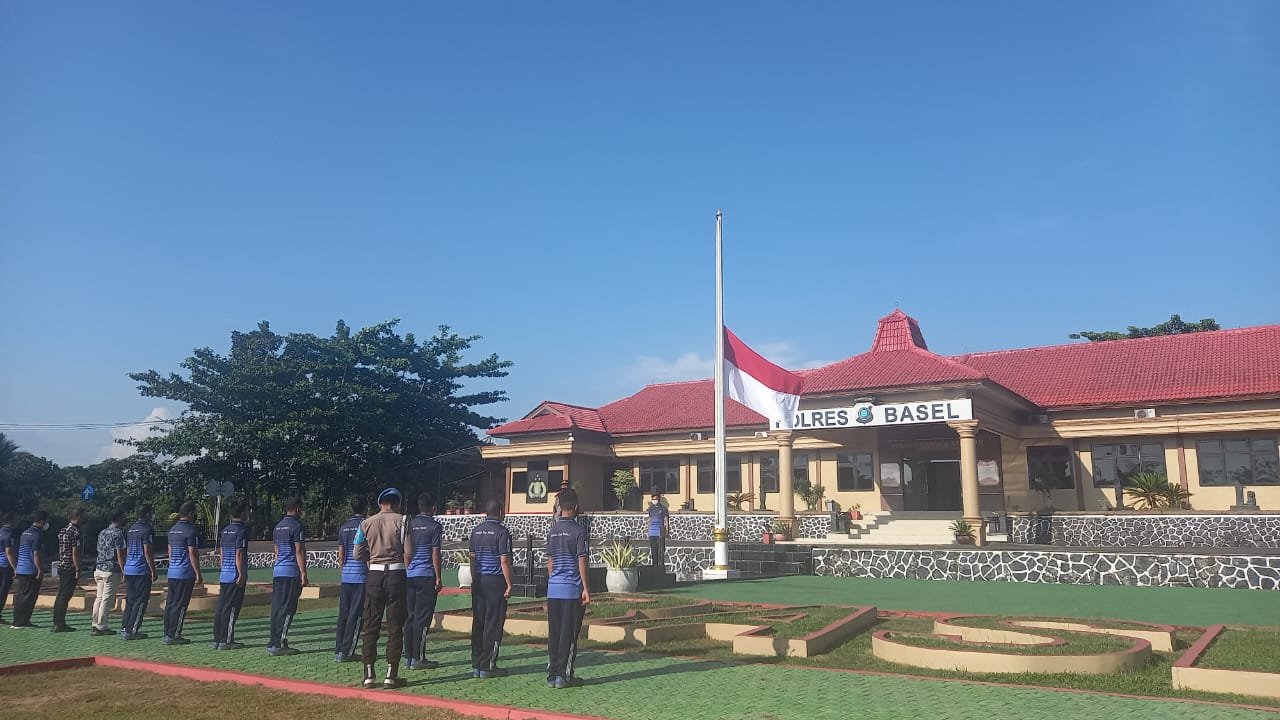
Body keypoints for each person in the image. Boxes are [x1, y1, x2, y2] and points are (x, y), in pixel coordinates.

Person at [354, 487, 409, 689]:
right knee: (395, 624)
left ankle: (368, 674)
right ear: (397, 503)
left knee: (371, 623)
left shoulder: (365, 523)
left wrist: (372, 560)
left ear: (380, 504)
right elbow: (408, 551)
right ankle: (391, 674)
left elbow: (357, 553)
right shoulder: (403, 521)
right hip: (396, 573)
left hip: (374, 575)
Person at [545, 489, 590, 689]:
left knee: (554, 633)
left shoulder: (552, 531)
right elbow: (582, 561)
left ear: (559, 507)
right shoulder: (579, 531)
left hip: (553, 590)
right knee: (569, 634)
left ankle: (552, 674)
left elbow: (550, 563)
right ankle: (564, 676)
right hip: (572, 590)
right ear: (576, 507)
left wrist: (553, 582)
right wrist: (586, 587)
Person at [469, 498, 513, 679]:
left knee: (479, 621)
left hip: (479, 580)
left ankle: (476, 663)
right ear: (501, 512)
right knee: (493, 623)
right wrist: (510, 583)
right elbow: (504, 560)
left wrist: (474, 579)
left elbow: (472, 558)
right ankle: (488, 664)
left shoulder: (476, 531)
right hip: (495, 581)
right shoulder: (502, 532)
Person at [403, 491, 442, 671]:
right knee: (423, 618)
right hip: (426, 575)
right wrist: (439, 577)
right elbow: (435, 553)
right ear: (433, 508)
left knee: (410, 617)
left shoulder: (410, 525)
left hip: (410, 575)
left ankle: (409, 656)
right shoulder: (434, 526)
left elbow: (406, 552)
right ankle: (419, 658)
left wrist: (408, 569)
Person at [267, 498, 308, 656]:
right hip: (291, 572)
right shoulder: (297, 526)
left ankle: (273, 640)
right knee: (289, 608)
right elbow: (299, 551)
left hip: (278, 572)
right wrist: (303, 573)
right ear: (297, 509)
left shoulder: (277, 527)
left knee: (277, 608)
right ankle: (280, 642)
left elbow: (276, 552)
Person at [163, 502, 204, 645]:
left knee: (171, 603)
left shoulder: (173, 530)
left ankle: (167, 632)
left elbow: (169, 551)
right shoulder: (190, 530)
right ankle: (174, 634)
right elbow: (192, 553)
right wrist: (198, 573)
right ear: (191, 513)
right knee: (180, 605)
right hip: (185, 572)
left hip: (172, 572)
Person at [334, 496, 368, 663]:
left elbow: (341, 555)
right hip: (361, 576)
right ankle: (347, 651)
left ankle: (338, 648)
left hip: (346, 576)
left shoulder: (344, 527)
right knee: (357, 615)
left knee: (344, 613)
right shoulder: (366, 526)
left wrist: (344, 571)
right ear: (365, 508)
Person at [212, 502, 250, 650]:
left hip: (225, 574)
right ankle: (226, 640)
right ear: (242, 514)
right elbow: (239, 553)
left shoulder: (225, 530)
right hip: (234, 575)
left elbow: (222, 552)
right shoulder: (242, 531)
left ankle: (217, 638)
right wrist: (241, 574)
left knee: (221, 607)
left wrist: (223, 569)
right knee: (232, 608)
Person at [120, 506, 156, 640]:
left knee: (131, 600)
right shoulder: (147, 530)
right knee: (141, 601)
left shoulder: (131, 529)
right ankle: (132, 630)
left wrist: (125, 569)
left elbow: (128, 550)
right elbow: (147, 551)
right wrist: (153, 570)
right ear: (147, 514)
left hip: (129, 568)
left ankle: (125, 627)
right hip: (141, 569)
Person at [91, 509, 128, 636]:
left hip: (99, 567)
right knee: (107, 598)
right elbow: (120, 555)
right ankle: (102, 625)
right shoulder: (118, 533)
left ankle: (95, 623)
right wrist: (124, 571)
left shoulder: (102, 532)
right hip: (111, 569)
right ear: (119, 518)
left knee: (99, 597)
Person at [10, 510, 48, 629]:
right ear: (42, 521)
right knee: (29, 597)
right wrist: (40, 570)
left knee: (22, 595)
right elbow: (36, 555)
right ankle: (21, 622)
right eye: (46, 520)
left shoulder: (25, 532)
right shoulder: (37, 535)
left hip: (21, 568)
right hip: (30, 569)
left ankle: (20, 620)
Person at [51, 508, 86, 632]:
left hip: (62, 564)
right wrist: (78, 568)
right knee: (65, 595)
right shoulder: (76, 532)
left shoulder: (63, 530)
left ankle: (56, 621)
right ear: (78, 517)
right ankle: (60, 623)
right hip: (70, 566)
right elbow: (75, 552)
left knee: (61, 594)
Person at [646, 493, 669, 568]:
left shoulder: (663, 508)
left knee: (661, 552)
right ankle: (654, 568)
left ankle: (661, 568)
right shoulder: (650, 509)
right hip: (652, 533)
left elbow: (666, 520)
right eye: (653, 499)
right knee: (654, 552)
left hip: (660, 532)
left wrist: (667, 530)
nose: (654, 500)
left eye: (655, 499)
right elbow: (649, 520)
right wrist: (648, 530)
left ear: (659, 499)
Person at [1, 513, 16, 625]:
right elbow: (9, 552)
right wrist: (15, 567)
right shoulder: (8, 534)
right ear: (10, 521)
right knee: (3, 591)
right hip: (6, 566)